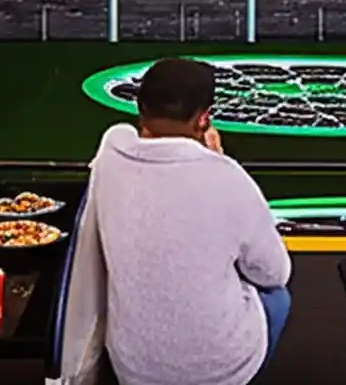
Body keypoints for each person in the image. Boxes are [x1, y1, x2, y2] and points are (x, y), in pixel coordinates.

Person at [87, 57, 292, 385]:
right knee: (278, 299)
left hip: (131, 369)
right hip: (218, 370)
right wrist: (217, 159)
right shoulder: (227, 178)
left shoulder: (111, 150)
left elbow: (125, 136)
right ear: (203, 118)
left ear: (139, 105)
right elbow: (274, 272)